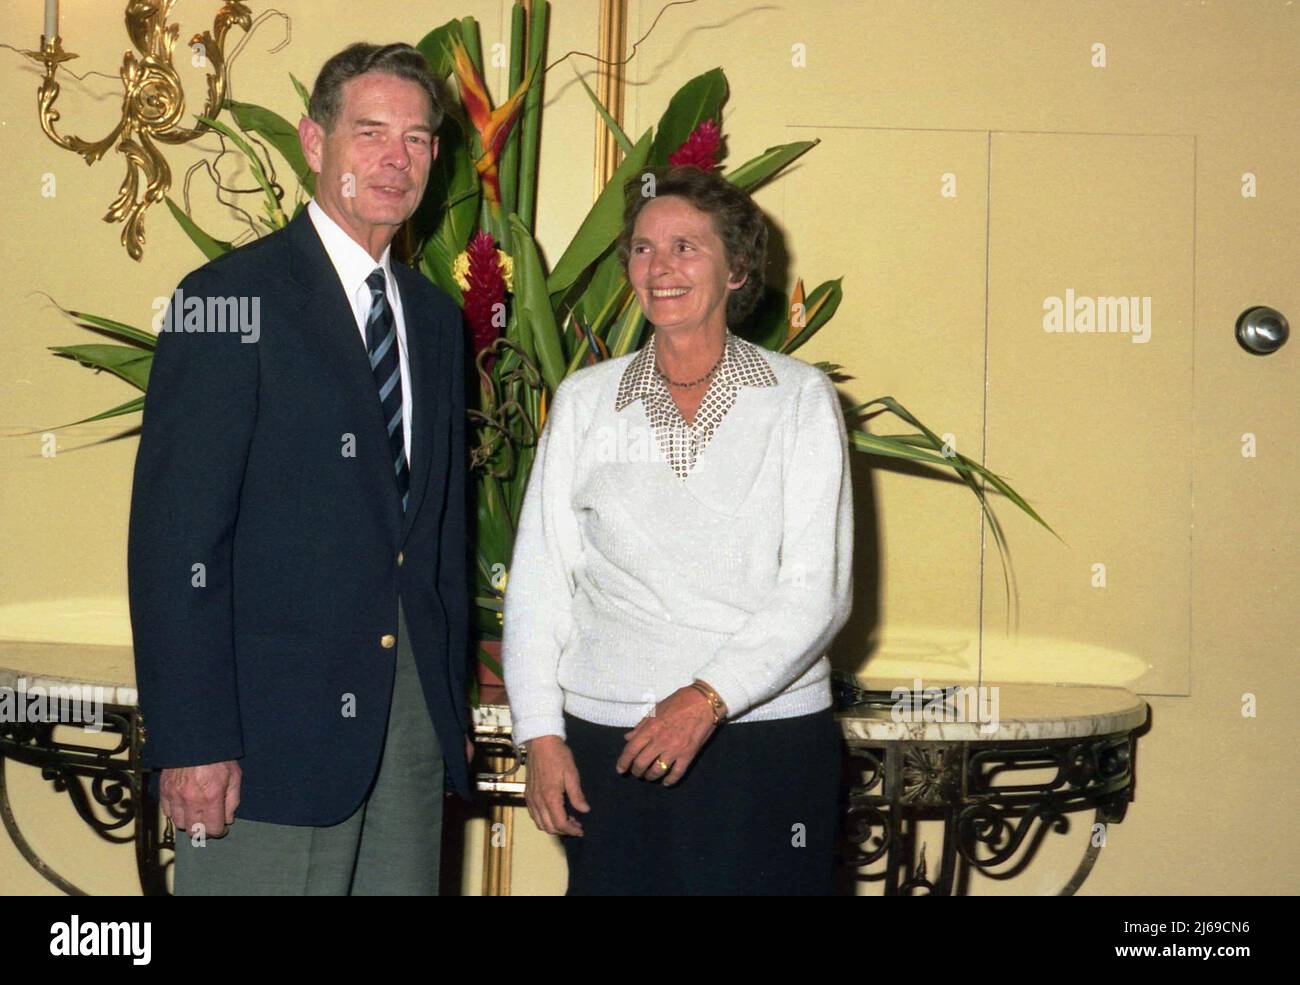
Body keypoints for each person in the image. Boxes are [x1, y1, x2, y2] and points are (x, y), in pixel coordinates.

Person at [127, 42, 474, 896]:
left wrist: (445, 710)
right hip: (261, 744)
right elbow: (177, 543)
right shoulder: (227, 300)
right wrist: (192, 737)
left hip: (407, 738)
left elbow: (438, 544)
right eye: (371, 132)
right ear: (313, 142)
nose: (397, 158)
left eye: (419, 138)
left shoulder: (434, 320)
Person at [502, 165, 854, 895]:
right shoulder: (585, 401)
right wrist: (539, 733)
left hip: (764, 742)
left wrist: (706, 698)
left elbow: (817, 590)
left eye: (686, 247)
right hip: (613, 746)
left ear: (737, 270)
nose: (659, 267)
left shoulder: (798, 399)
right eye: (641, 248)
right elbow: (539, 583)